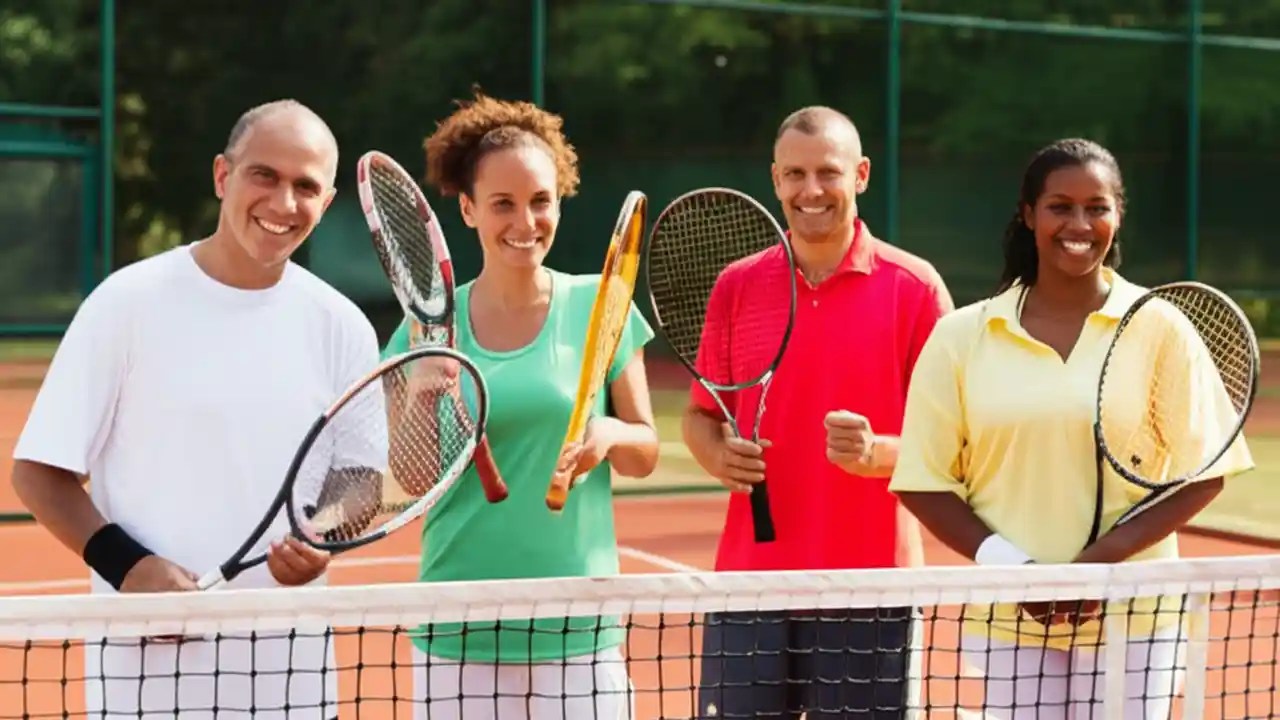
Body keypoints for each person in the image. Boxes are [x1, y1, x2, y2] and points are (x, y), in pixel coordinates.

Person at [10, 99, 378, 719]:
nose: (284, 203)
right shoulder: (125, 303)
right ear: (222, 176)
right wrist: (128, 568)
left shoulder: (342, 326)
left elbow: (362, 480)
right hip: (144, 689)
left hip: (293, 685)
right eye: (264, 175)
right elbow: (38, 473)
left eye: (305, 186)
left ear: (327, 201)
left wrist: (324, 537)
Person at [889, 137, 1255, 719]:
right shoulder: (962, 337)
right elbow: (923, 478)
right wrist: (1018, 572)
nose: (1079, 223)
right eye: (1060, 206)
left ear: (1116, 217)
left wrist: (1100, 564)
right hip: (1008, 617)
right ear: (1029, 215)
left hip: (1135, 616)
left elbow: (1204, 473)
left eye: (1097, 207)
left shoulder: (1160, 327)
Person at [378, 89, 660, 720]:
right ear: (469, 209)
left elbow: (644, 454)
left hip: (578, 625)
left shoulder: (601, 305)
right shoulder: (427, 331)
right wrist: (424, 396)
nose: (524, 222)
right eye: (502, 204)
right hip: (460, 625)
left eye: (540, 201)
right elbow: (410, 482)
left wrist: (609, 435)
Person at [681, 105, 954, 719]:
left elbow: (959, 446)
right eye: (795, 174)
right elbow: (700, 417)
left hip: (871, 590)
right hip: (750, 586)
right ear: (775, 180)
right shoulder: (737, 286)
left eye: (827, 172)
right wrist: (716, 452)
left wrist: (879, 453)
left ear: (860, 174)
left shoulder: (916, 289)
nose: (811, 191)